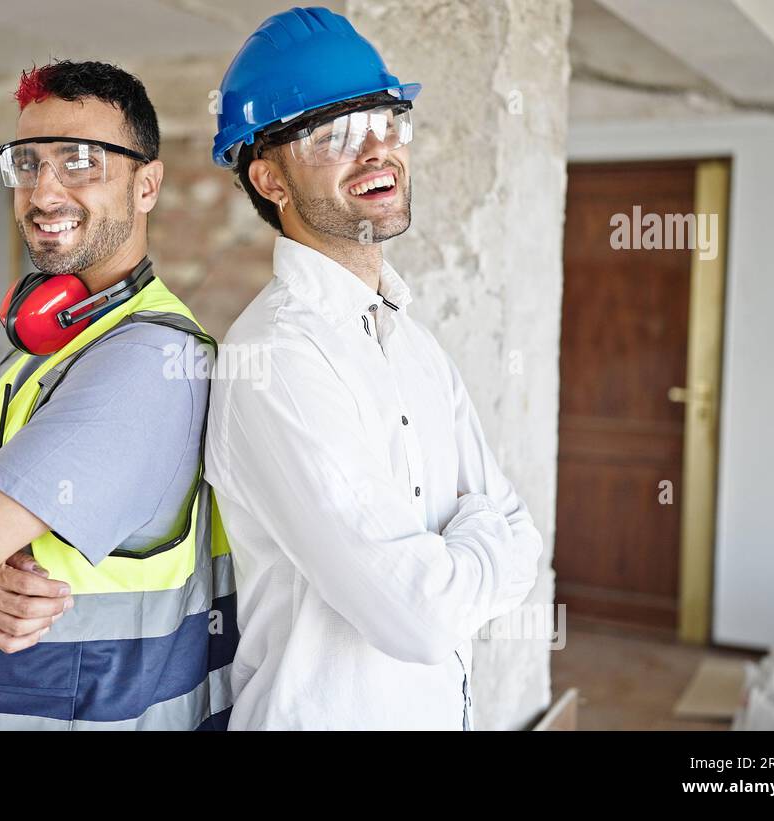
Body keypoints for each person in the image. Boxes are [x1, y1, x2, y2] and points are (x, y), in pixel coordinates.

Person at [206, 6, 542, 730]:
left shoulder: (417, 347)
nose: (378, 150)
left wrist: (462, 553)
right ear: (269, 179)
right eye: (335, 134)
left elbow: (527, 540)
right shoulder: (276, 359)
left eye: (388, 121)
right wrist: (476, 531)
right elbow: (419, 616)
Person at [0, 60, 235, 730]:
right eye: (27, 163)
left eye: (80, 162)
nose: (43, 192)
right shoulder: (40, 354)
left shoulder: (147, 362)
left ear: (147, 184)